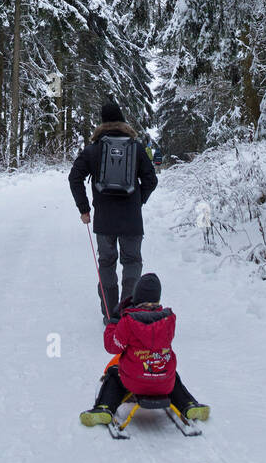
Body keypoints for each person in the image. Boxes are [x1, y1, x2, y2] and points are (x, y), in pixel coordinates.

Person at [79, 273, 209, 426]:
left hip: (134, 382)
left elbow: (112, 347)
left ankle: (104, 407)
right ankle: (189, 405)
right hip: (163, 382)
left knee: (114, 374)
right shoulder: (169, 319)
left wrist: (114, 322)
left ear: (136, 297)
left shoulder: (128, 321)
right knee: (173, 377)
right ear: (158, 299)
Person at [68, 99, 157, 319]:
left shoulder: (93, 148)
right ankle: (128, 314)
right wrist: (138, 201)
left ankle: (110, 314)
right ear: (122, 121)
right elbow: (151, 179)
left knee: (107, 264)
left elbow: (74, 177)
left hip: (104, 219)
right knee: (132, 262)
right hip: (131, 219)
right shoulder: (136, 147)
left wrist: (84, 208)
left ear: (103, 122)